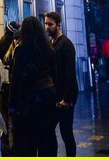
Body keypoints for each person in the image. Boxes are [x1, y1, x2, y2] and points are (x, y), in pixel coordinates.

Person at [8, 15, 57, 156]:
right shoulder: (49, 50)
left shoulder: (21, 50)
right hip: (47, 97)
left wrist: (12, 104)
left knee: (27, 143)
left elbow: (15, 79)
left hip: (28, 101)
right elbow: (55, 75)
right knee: (46, 139)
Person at [44, 11, 78, 157]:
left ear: (58, 25)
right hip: (54, 95)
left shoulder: (66, 45)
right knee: (49, 129)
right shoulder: (50, 44)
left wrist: (67, 98)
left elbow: (70, 73)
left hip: (65, 97)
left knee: (66, 132)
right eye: (46, 24)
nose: (47, 27)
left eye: (50, 24)